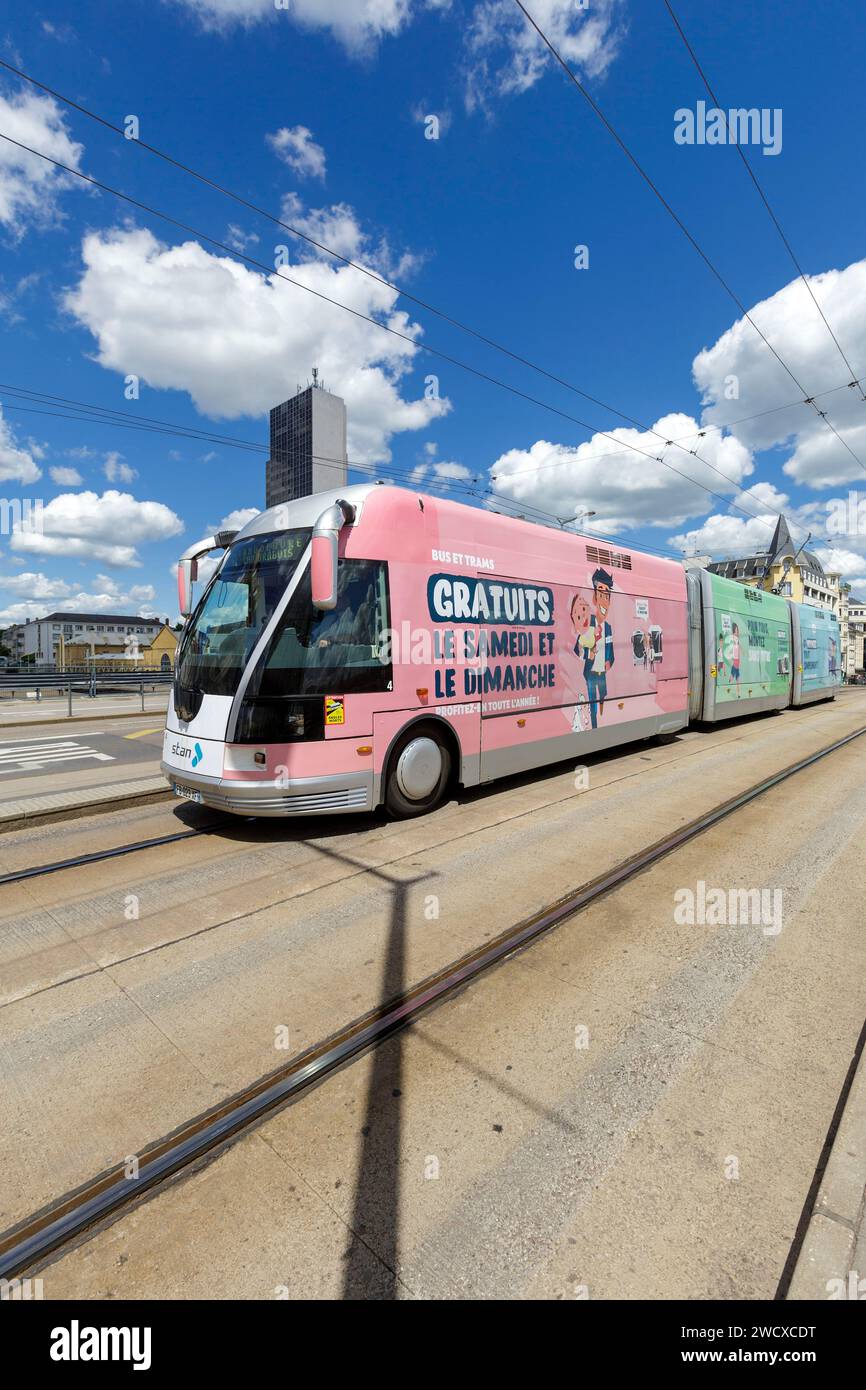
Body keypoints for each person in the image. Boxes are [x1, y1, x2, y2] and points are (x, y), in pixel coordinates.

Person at [581, 567, 615, 728]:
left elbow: (611, 650)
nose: (604, 600)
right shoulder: (588, 624)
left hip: (602, 673)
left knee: (603, 697)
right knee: (593, 701)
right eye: (600, 594)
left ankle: (600, 724)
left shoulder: (608, 627)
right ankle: (594, 726)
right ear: (594, 597)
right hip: (591, 672)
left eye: (607, 595)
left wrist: (609, 661)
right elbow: (577, 648)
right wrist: (590, 653)